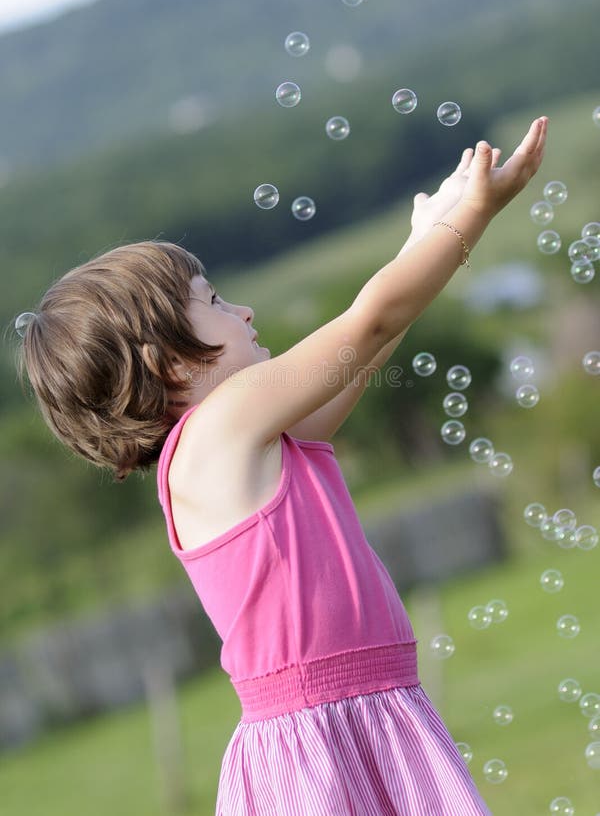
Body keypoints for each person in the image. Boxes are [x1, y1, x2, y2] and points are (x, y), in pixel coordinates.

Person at [16, 116, 548, 814]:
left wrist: (427, 238)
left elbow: (362, 354)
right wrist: (471, 219)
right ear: (166, 360)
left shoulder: (245, 445)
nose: (243, 309)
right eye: (212, 303)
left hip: (359, 716)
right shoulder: (219, 430)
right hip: (321, 743)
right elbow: (368, 325)